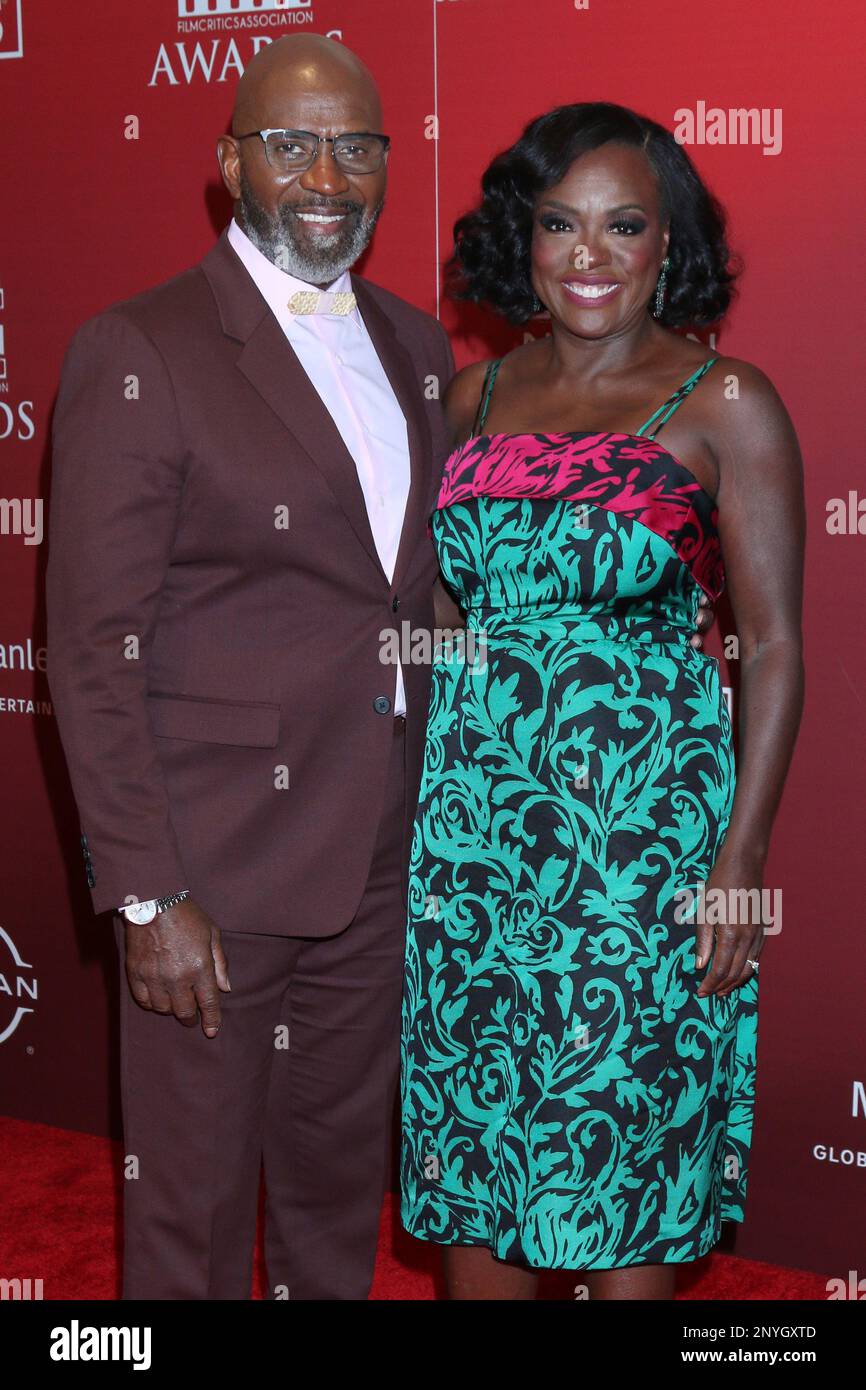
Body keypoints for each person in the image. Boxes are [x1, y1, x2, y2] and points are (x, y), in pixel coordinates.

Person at [45, 34, 454, 1301]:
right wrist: (146, 894)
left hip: (380, 850)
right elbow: (91, 646)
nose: (326, 174)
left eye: (354, 146)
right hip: (210, 866)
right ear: (229, 165)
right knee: (195, 1210)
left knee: (336, 1187)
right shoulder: (143, 345)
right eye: (290, 144)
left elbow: (414, 591)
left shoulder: (417, 349)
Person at [400, 102, 805, 1300]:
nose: (586, 255)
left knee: (617, 1173)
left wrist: (739, 860)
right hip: (474, 853)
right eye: (557, 224)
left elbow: (774, 643)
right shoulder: (469, 400)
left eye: (621, 226)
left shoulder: (723, 400)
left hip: (640, 863)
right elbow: (444, 613)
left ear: (664, 243)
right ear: (518, 243)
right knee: (475, 1166)